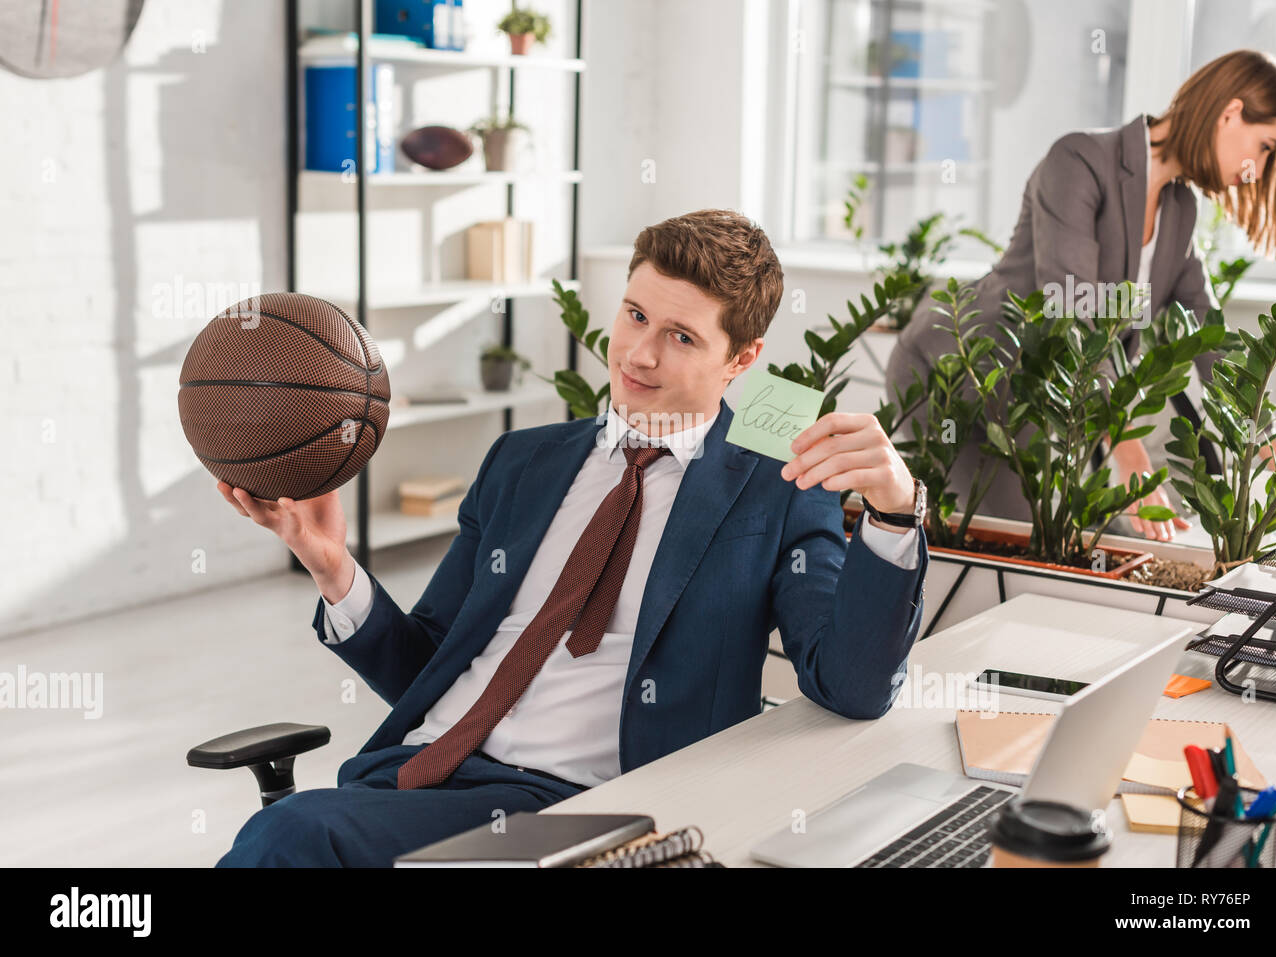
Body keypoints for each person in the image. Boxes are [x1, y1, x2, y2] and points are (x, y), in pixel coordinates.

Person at [212, 209, 929, 866]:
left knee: (292, 834)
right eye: (635, 315)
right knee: (297, 834)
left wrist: (895, 511)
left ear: (741, 359)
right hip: (420, 776)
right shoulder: (523, 461)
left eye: (681, 337)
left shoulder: (775, 489)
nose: (639, 355)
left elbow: (853, 685)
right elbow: (426, 665)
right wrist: (334, 568)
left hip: (579, 808)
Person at [886, 49, 1276, 541]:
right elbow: (1072, 312)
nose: (1260, 166)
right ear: (1230, 113)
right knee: (994, 549)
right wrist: (1126, 447)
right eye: (1267, 146)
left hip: (1036, 406)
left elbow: (1207, 334)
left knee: (1042, 549)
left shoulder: (1180, 208)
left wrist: (1268, 438)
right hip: (957, 380)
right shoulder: (1079, 160)